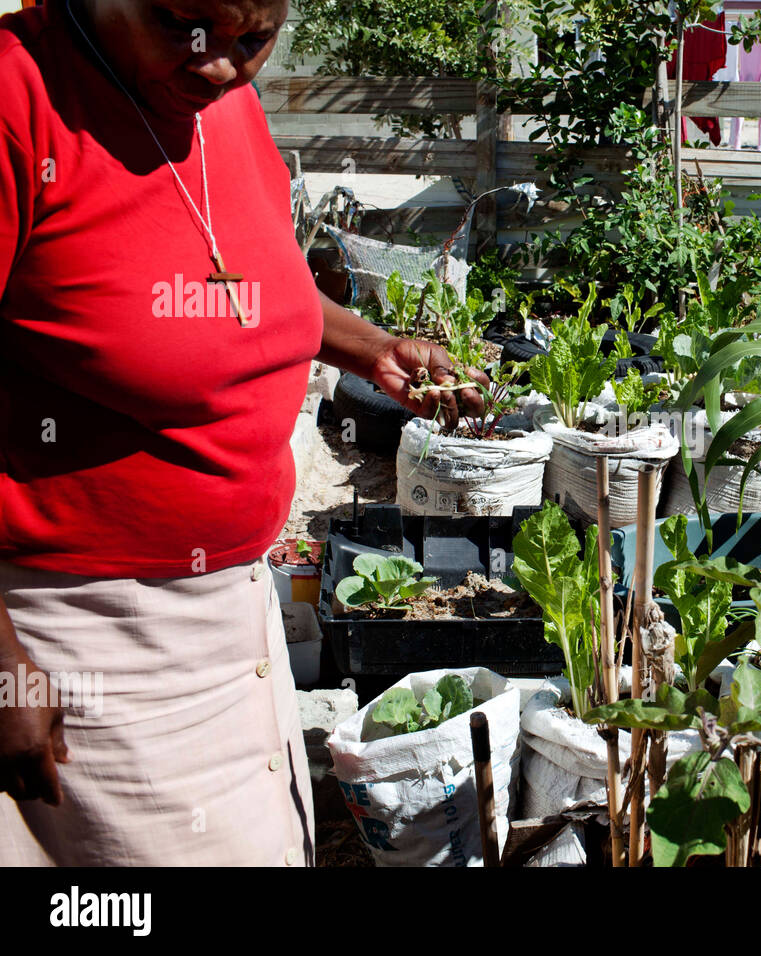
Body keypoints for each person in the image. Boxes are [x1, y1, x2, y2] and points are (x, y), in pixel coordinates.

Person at [0, 0, 488, 865]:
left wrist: (371, 346)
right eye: (179, 21)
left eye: (252, 38)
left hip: (238, 613)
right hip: (93, 641)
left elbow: (245, 275)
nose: (218, 64)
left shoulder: (214, 98)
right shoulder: (20, 99)